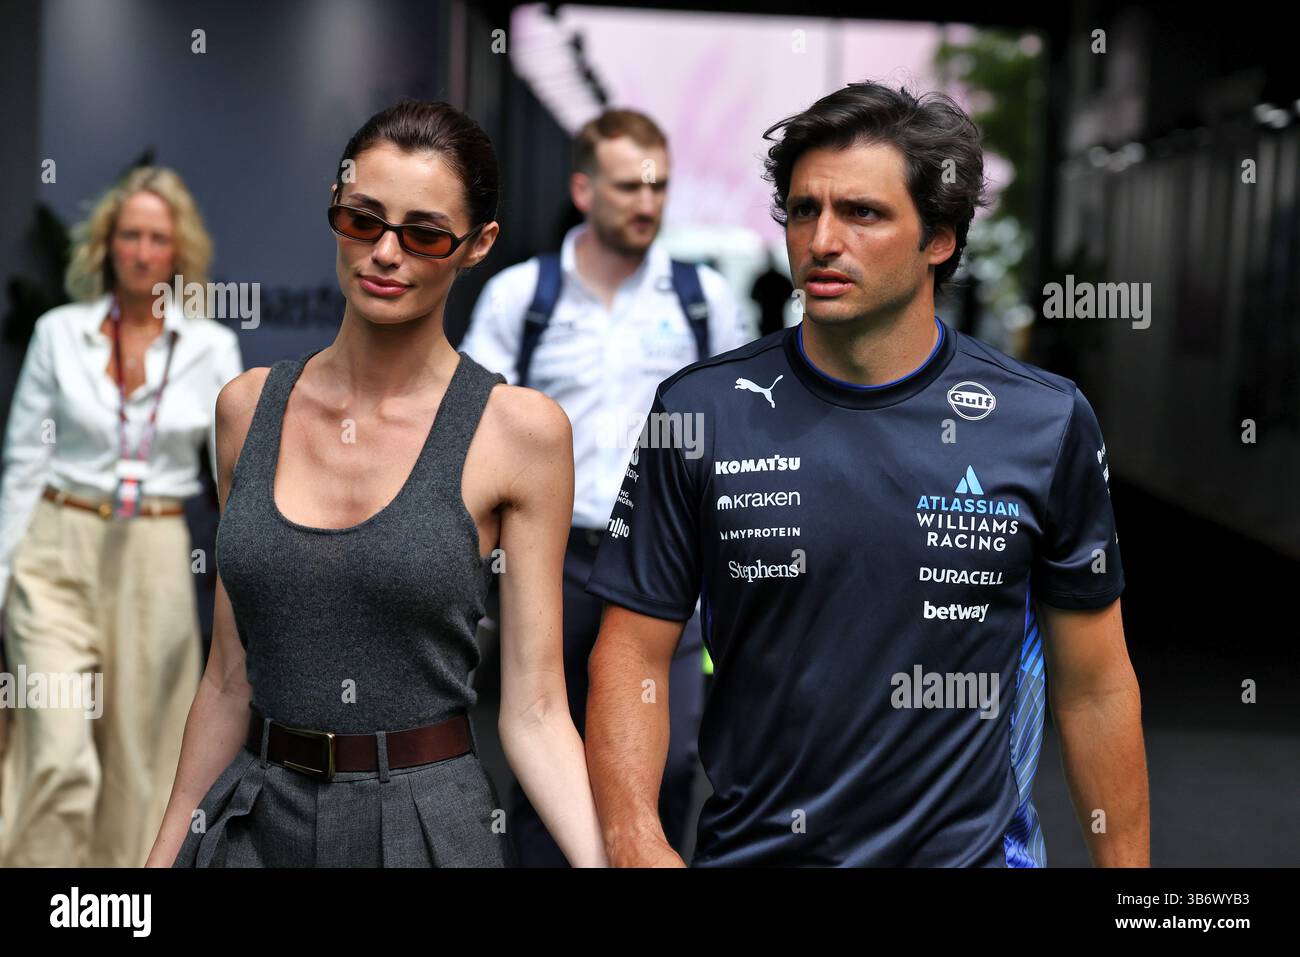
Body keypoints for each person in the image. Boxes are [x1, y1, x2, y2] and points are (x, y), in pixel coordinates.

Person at [584, 81, 1150, 867]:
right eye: (804, 209)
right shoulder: (702, 410)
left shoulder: (1044, 422)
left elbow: (1095, 686)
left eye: (863, 213)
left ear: (940, 238)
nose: (822, 239)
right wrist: (633, 836)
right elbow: (632, 652)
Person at [149, 99, 606, 868]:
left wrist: (600, 860)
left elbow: (533, 708)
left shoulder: (519, 432)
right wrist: (159, 862)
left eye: (424, 232)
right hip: (254, 820)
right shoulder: (246, 409)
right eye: (363, 220)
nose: (385, 253)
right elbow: (228, 679)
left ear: (477, 244)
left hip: (426, 825)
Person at [460, 108, 752, 865]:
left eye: (659, 187)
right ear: (585, 189)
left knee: (674, 759)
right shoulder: (522, 296)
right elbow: (469, 426)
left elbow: (745, 425)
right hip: (554, 560)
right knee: (543, 749)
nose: (647, 203)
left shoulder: (703, 300)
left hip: (667, 562)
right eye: (628, 186)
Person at [0, 166, 244, 867]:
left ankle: (119, 908)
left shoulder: (210, 347)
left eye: (157, 238)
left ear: (179, 252)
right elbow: (23, 463)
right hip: (56, 548)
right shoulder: (58, 333)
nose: (142, 251)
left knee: (144, 762)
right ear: (106, 245)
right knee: (57, 751)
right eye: (129, 235)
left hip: (159, 555)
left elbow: (234, 482)